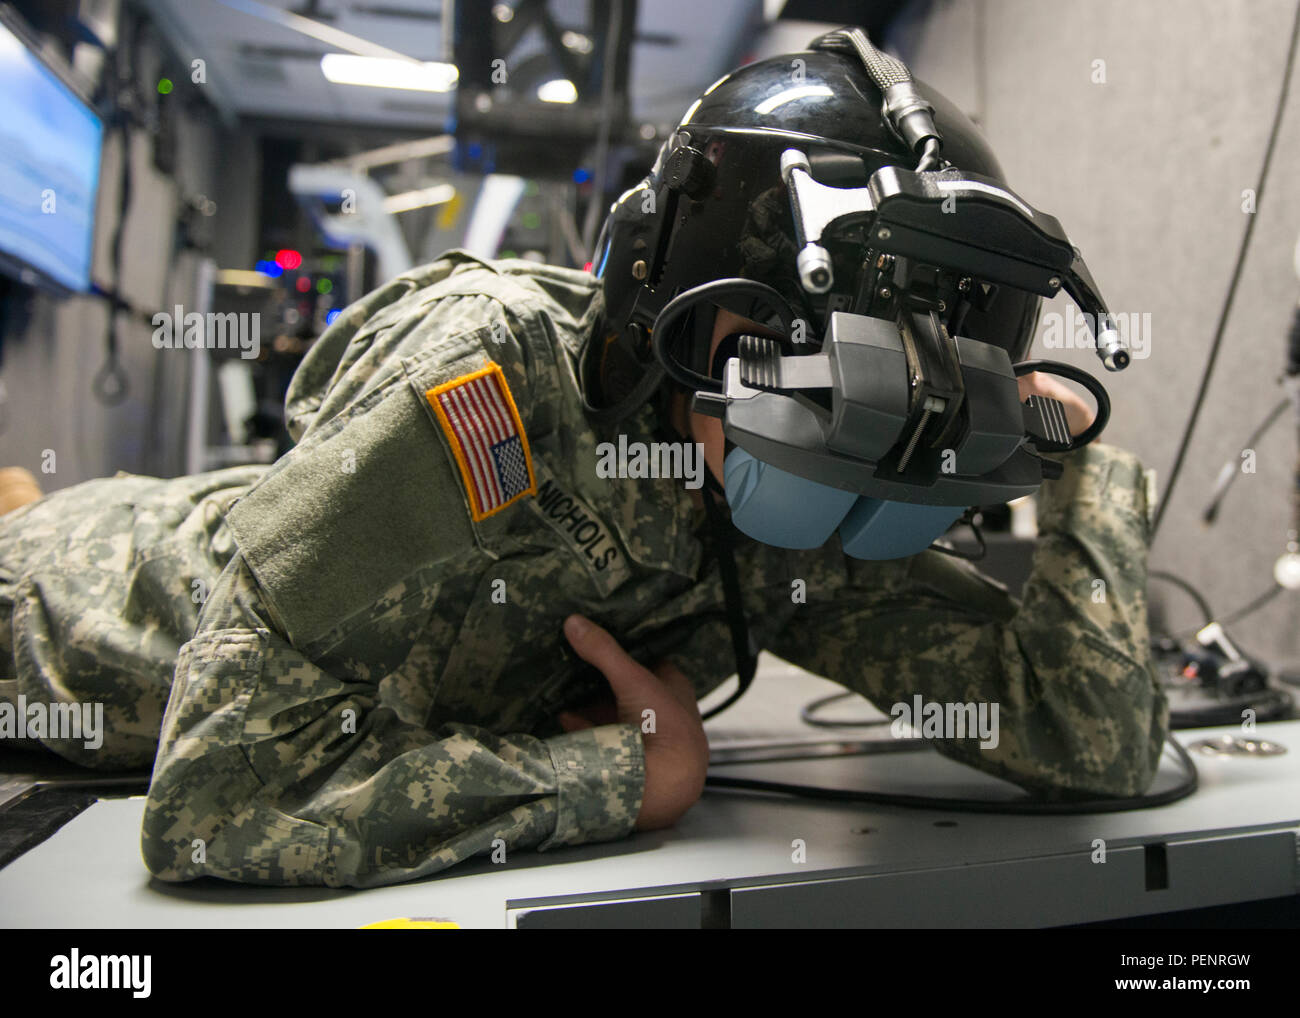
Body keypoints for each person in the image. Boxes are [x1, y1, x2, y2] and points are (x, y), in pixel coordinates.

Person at [0, 38, 1166, 888]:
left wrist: (1063, 458)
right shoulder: (488, 377)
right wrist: (629, 780)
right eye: (820, 355)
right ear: (686, 293)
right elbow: (220, 796)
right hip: (55, 617)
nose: (864, 410)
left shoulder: (790, 515)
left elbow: (1092, 739)